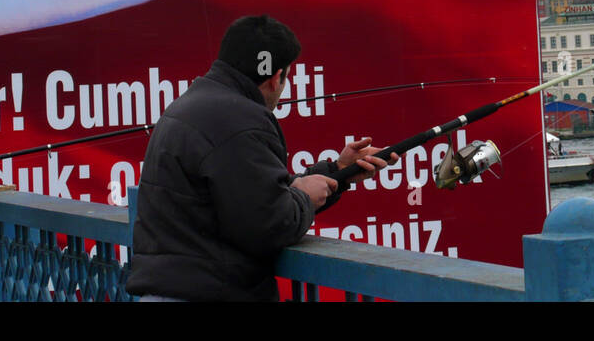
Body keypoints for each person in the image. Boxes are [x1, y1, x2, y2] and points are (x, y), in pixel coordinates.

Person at [127, 15, 394, 302]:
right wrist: (303, 198)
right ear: (276, 76)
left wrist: (339, 171)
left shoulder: (191, 104)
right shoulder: (240, 119)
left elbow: (247, 194)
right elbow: (269, 225)